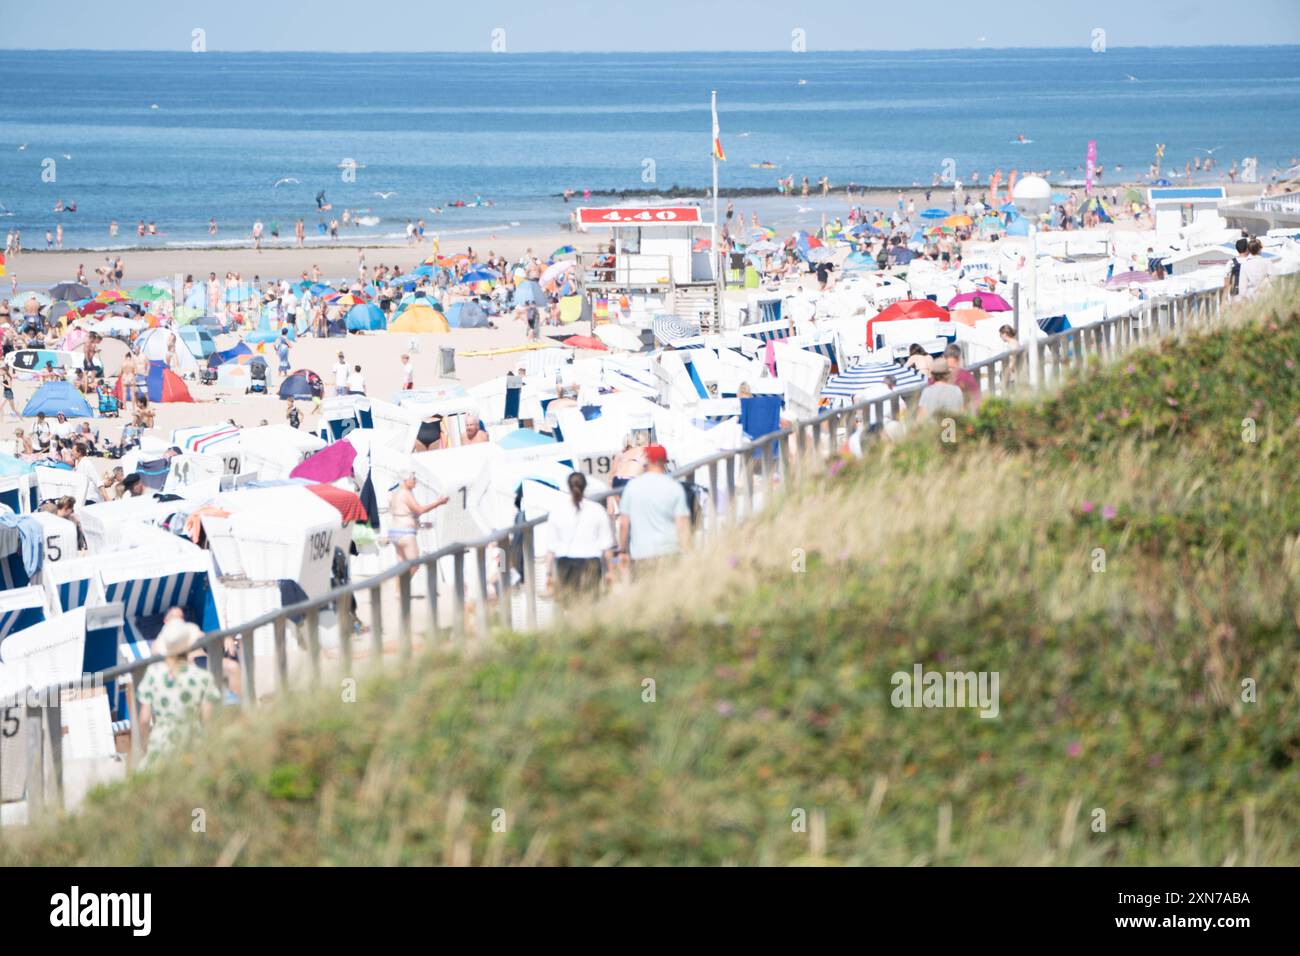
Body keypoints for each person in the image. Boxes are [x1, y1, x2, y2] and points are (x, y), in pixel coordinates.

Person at [135, 620, 221, 767]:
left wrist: (144, 747)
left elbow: (144, 719)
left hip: (161, 745)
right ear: (189, 646)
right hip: (192, 743)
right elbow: (208, 720)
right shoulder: (202, 677)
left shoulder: (152, 675)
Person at [616, 444, 690, 572]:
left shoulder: (632, 487)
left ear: (647, 461)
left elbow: (624, 523)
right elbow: (682, 524)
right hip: (670, 551)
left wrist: (622, 550)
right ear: (665, 462)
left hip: (641, 553)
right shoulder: (674, 487)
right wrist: (688, 550)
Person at [546, 471, 615, 600]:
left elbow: (551, 549)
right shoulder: (597, 510)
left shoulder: (558, 511)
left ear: (568, 487)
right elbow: (606, 547)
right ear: (585, 486)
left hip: (565, 563)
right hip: (591, 562)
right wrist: (609, 571)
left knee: (568, 606)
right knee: (590, 603)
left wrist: (548, 574)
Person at [387, 471, 448, 565]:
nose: (416, 481)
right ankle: (399, 580)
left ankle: (400, 580)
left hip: (394, 531)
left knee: (401, 566)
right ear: (406, 480)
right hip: (405, 532)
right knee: (414, 564)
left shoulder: (395, 493)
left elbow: (405, 511)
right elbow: (419, 510)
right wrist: (438, 503)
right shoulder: (405, 493)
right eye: (414, 479)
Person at [942, 344, 981, 410]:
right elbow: (977, 399)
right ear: (959, 359)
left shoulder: (935, 376)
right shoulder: (965, 376)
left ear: (943, 357)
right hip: (961, 415)